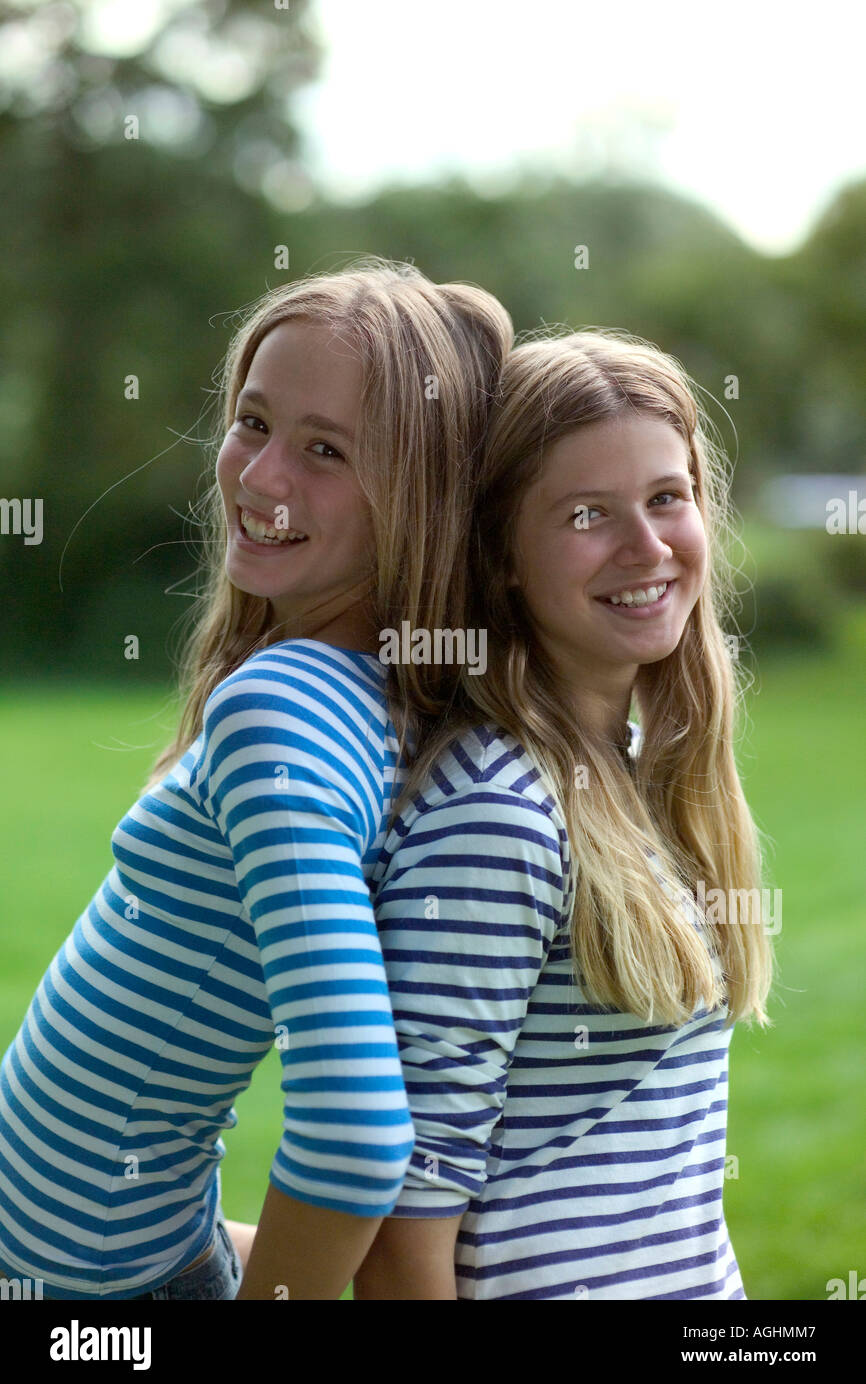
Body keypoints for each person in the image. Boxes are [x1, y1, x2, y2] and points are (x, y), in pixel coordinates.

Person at [0, 258, 513, 1300]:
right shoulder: (364, 696)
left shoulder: (279, 709)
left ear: (417, 492)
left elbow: (358, 1131)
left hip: (80, 1286)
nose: (263, 476)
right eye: (253, 422)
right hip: (135, 1250)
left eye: (324, 450)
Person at [355, 328, 777, 1300]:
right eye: (587, 514)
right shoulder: (496, 814)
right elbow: (405, 1222)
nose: (646, 547)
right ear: (500, 554)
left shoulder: (640, 770)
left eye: (666, 498)